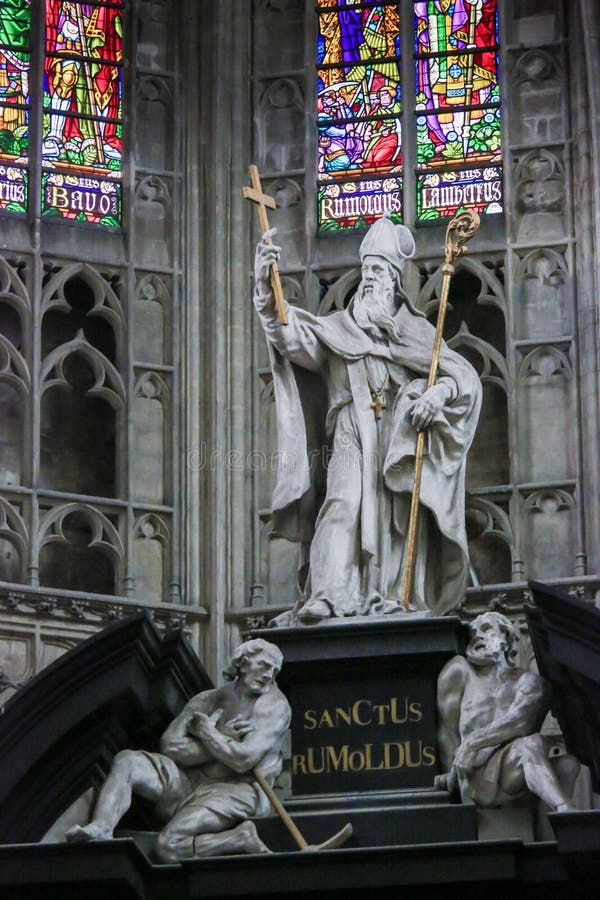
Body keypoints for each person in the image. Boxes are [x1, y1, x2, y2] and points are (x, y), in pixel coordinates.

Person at [254, 214, 481, 624]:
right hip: (349, 430)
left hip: (399, 434)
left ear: (394, 278)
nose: (371, 277)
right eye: (367, 270)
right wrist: (266, 290)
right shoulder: (337, 329)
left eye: (379, 270)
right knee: (341, 503)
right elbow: (290, 338)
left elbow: (463, 378)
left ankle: (395, 595)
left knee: (394, 522)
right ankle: (328, 594)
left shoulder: (415, 331)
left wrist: (436, 393)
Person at [66, 638, 291, 861]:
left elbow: (242, 759)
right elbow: (170, 746)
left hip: (235, 790)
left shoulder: (274, 706)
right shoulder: (206, 699)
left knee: (168, 847)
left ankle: (238, 838)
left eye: (274, 671)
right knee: (128, 760)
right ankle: (102, 828)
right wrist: (219, 740)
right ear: (242, 663)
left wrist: (207, 732)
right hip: (186, 779)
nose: (269, 675)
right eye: (263, 665)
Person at [435, 611, 576, 811]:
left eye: (485, 629)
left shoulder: (530, 682)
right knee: (531, 746)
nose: (476, 636)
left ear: (506, 638)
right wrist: (451, 774)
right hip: (472, 776)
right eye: (473, 633)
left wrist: (470, 745)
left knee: (566, 764)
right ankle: (564, 811)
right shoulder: (460, 672)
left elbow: (519, 722)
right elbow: (446, 731)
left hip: (509, 770)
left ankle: (564, 817)